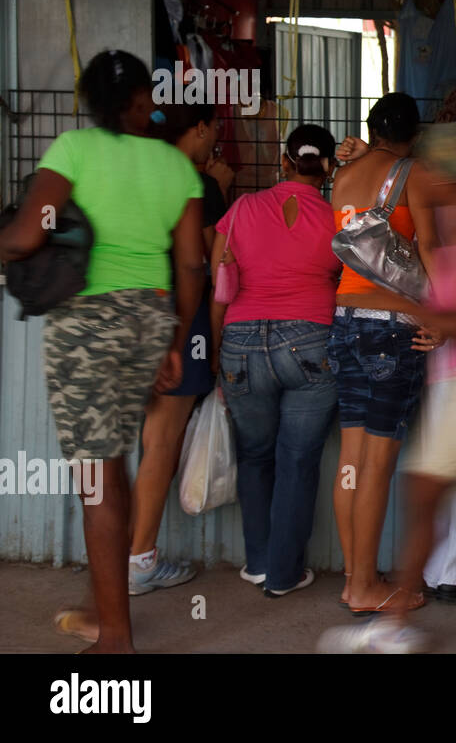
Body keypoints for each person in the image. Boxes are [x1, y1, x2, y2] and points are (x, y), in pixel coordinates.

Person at [0, 50, 205, 652]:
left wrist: (9, 236)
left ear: (89, 102)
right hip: (150, 318)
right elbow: (192, 262)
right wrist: (175, 336)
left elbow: (32, 231)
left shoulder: (72, 151)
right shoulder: (176, 168)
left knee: (97, 476)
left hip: (85, 323)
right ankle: (102, 607)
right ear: (143, 100)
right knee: (113, 464)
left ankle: (115, 636)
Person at [319, 106, 456, 653]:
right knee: (418, 495)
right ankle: (391, 622)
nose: (422, 175)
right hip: (450, 379)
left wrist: (427, 317)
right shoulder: (453, 224)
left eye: (432, 167)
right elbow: (451, 299)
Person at [211, 124, 342, 597]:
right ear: (327, 168)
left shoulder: (242, 208)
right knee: (298, 459)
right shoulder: (335, 216)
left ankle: (259, 563)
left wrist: (214, 355)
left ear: (284, 162)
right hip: (311, 344)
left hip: (241, 343)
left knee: (255, 455)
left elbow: (219, 286)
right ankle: (285, 575)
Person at [329, 92, 441, 615]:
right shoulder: (412, 175)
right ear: (413, 135)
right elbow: (430, 252)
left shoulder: (344, 175)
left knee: (351, 461)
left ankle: (357, 582)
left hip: (345, 320)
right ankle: (364, 587)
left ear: (371, 131)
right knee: (376, 465)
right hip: (391, 327)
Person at [122, 100, 232, 597]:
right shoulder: (197, 186)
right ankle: (138, 560)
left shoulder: (137, 176)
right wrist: (221, 192)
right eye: (213, 132)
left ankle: (124, 557)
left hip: (129, 313)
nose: (215, 143)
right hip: (178, 321)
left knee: (147, 441)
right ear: (201, 130)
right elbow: (211, 260)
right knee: (161, 441)